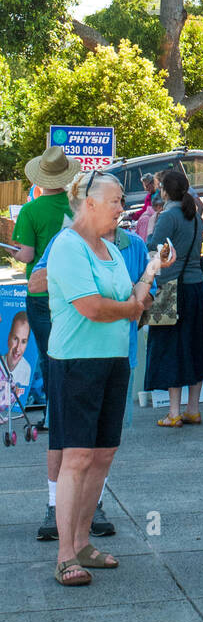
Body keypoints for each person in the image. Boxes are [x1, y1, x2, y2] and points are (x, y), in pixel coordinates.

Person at [44, 171, 167, 585]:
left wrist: (149, 274)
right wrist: (132, 307)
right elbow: (93, 308)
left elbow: (134, 296)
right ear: (89, 203)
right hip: (76, 364)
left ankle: (82, 543)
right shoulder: (68, 247)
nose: (122, 208)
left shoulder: (112, 250)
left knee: (102, 457)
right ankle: (65, 555)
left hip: (114, 362)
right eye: (115, 201)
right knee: (76, 458)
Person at [12, 147, 80, 428]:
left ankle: (54, 414)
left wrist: (12, 252)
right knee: (74, 352)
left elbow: (26, 255)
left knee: (49, 354)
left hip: (41, 293)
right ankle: (74, 408)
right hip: (76, 290)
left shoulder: (30, 210)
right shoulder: (78, 206)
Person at [145, 170, 203, 427]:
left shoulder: (167, 217)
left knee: (169, 349)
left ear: (164, 191)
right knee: (197, 346)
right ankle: (193, 409)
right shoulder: (195, 217)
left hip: (170, 289)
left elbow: (154, 248)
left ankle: (173, 412)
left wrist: (152, 227)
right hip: (196, 288)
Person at [2, 312, 31, 400]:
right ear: (8, 338)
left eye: (23, 341)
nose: (18, 348)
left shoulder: (26, 369)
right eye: (15, 339)